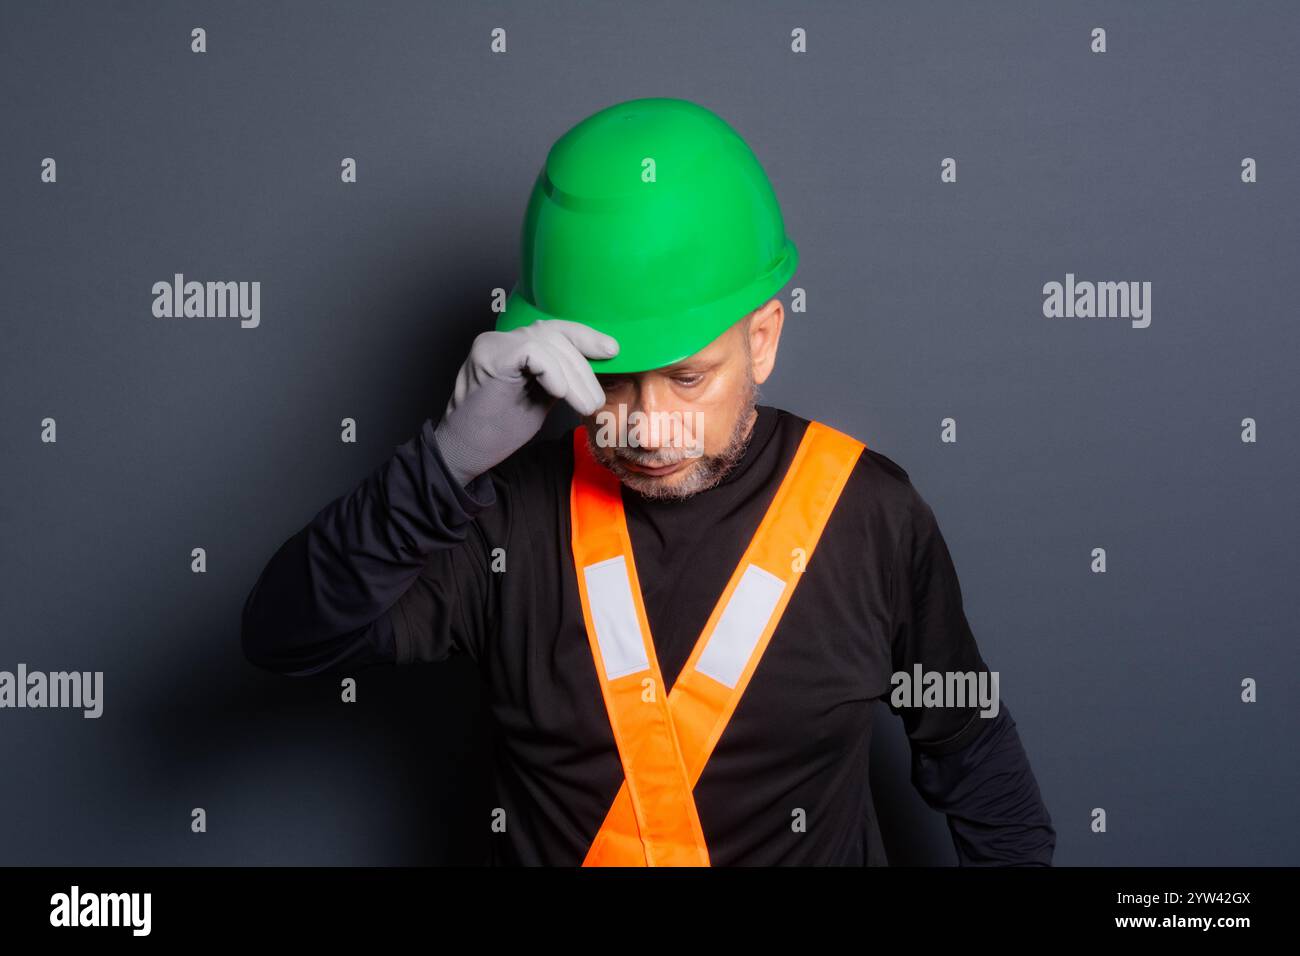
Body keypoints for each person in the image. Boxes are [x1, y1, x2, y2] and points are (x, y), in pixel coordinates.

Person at [241, 97, 1055, 866]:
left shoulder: (869, 515)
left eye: (688, 377)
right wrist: (443, 465)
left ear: (762, 340)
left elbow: (971, 744)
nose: (647, 427)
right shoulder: (502, 519)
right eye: (612, 381)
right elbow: (285, 635)